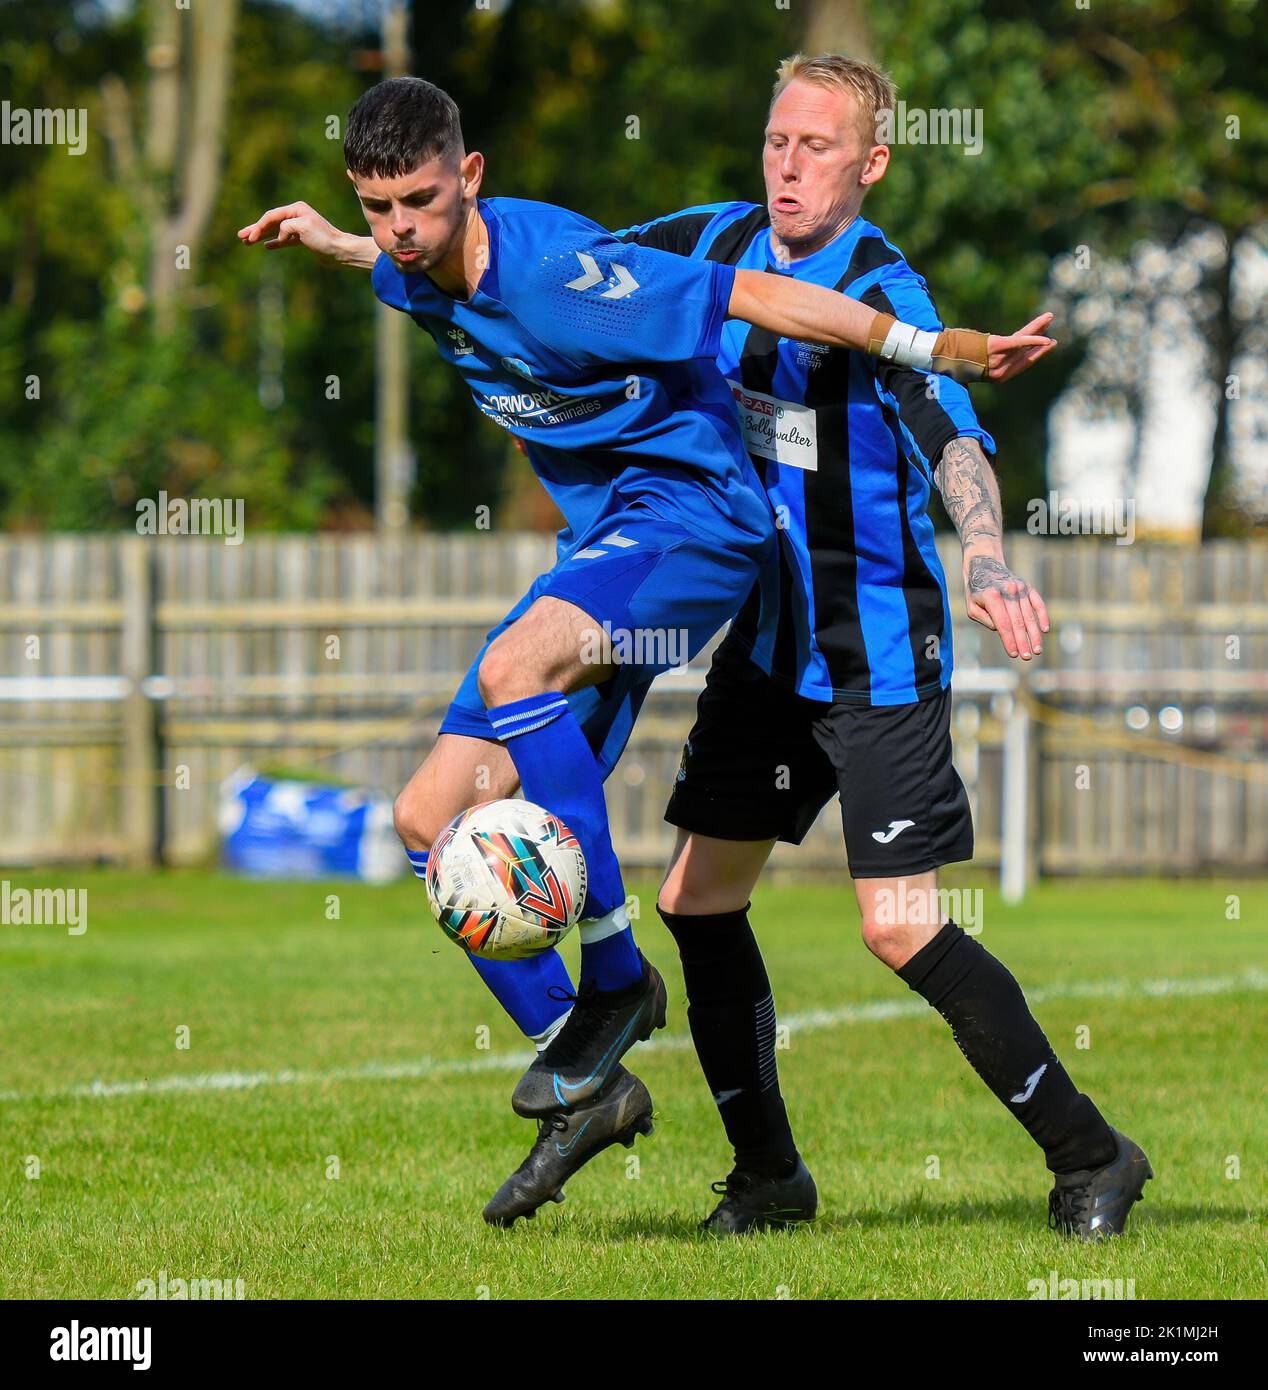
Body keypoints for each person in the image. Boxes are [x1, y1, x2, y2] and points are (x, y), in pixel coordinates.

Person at [237, 74, 1053, 1228]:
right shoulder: (425, 266)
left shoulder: (588, 282)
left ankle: (615, 981)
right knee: (428, 819)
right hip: (675, 588)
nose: (399, 228)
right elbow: (414, 260)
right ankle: (595, 1085)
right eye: (377, 207)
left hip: (716, 540)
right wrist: (334, 241)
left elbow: (792, 317)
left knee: (890, 919)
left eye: (418, 202)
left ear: (470, 179)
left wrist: (946, 359)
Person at [632, 53, 1150, 1238]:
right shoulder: (712, 241)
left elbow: (951, 437)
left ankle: (1090, 1156)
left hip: (875, 660)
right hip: (764, 654)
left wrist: (982, 553)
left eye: (816, 147)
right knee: (698, 901)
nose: (786, 165)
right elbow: (555, 275)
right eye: (776, 140)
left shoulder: (886, 293)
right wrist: (381, 249)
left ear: (868, 164)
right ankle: (769, 1175)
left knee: (897, 923)